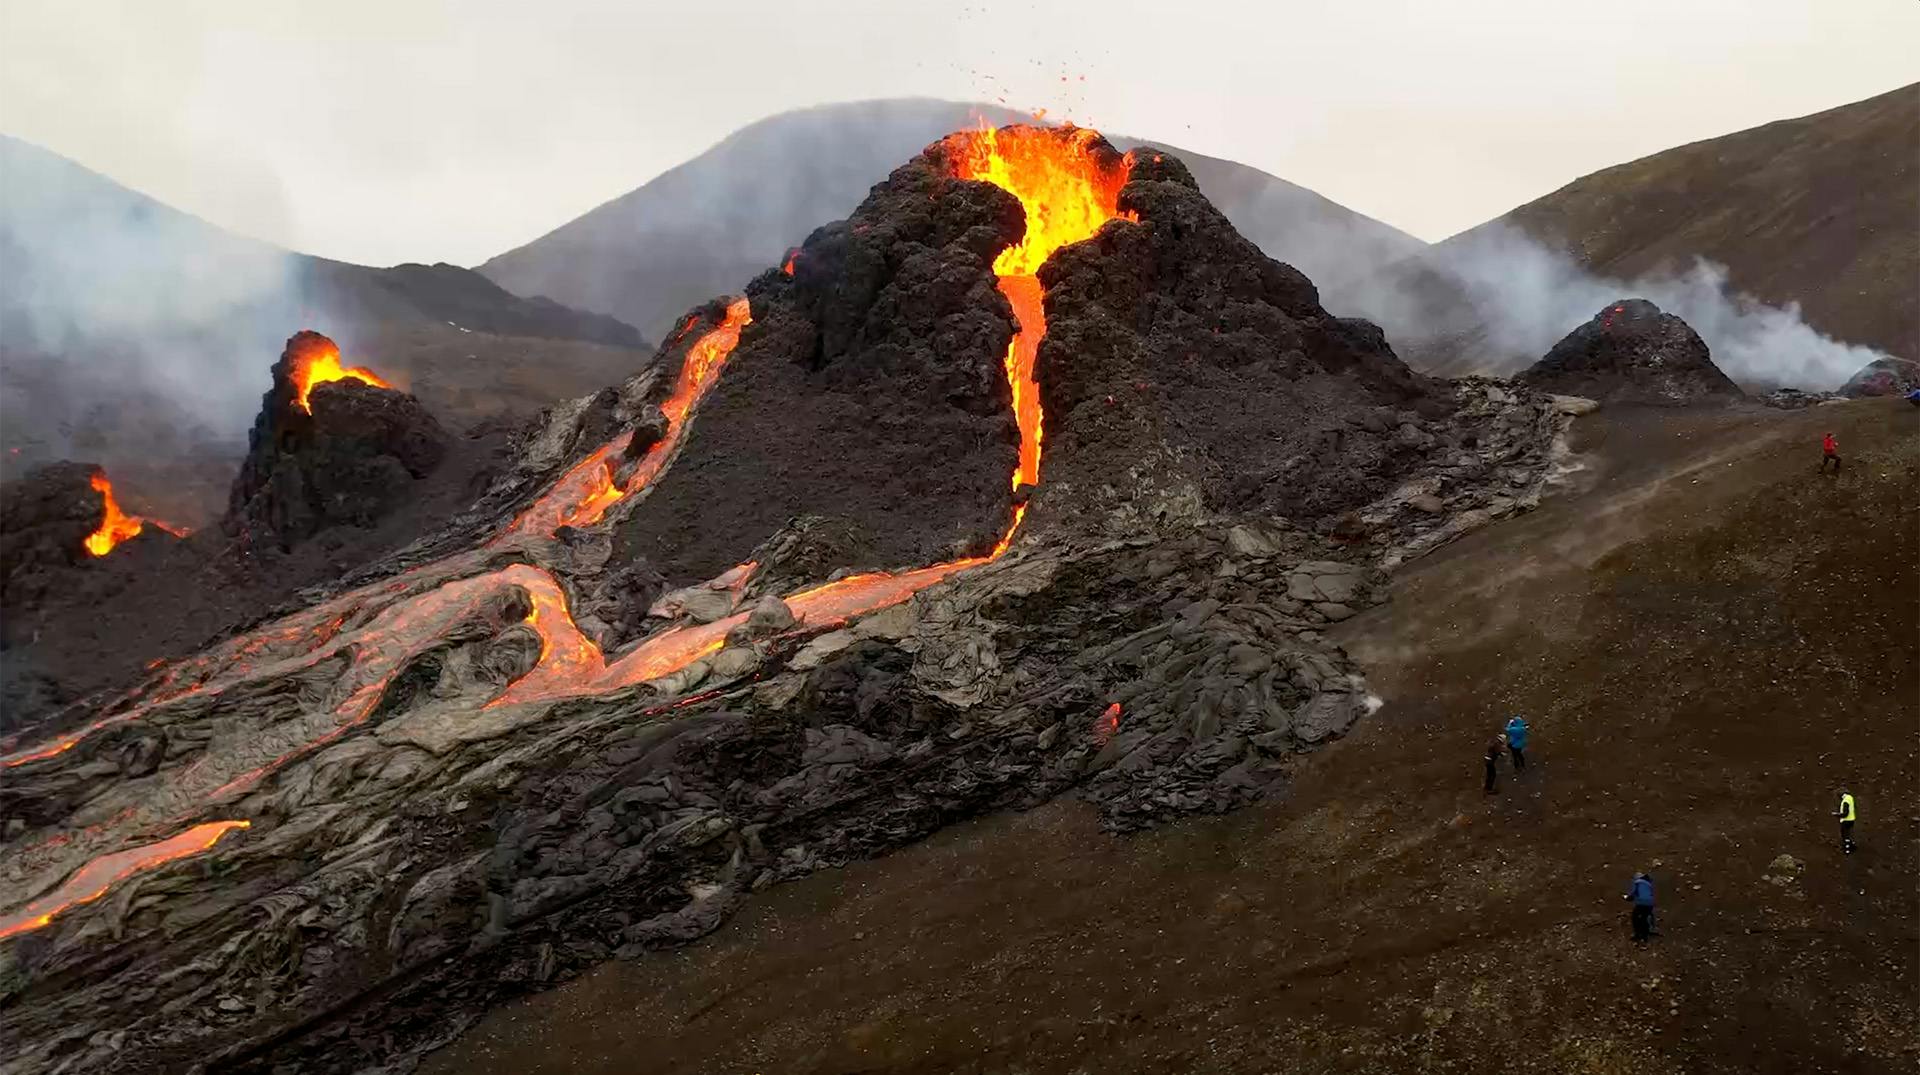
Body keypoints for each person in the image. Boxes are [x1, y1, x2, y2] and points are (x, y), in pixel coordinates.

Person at [1624, 871, 1656, 943]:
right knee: (1644, 918)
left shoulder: (1637, 883)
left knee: (1635, 918)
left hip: (1641, 903)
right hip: (1650, 904)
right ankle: (1645, 935)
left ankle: (1637, 934)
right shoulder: (1649, 884)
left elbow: (1633, 894)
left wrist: (1626, 897)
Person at [1835, 790, 1857, 854]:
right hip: (1852, 819)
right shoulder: (1850, 797)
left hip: (1846, 821)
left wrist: (1837, 814)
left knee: (1845, 835)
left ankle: (1847, 849)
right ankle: (1852, 845)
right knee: (1849, 833)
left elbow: (1845, 814)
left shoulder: (1845, 801)